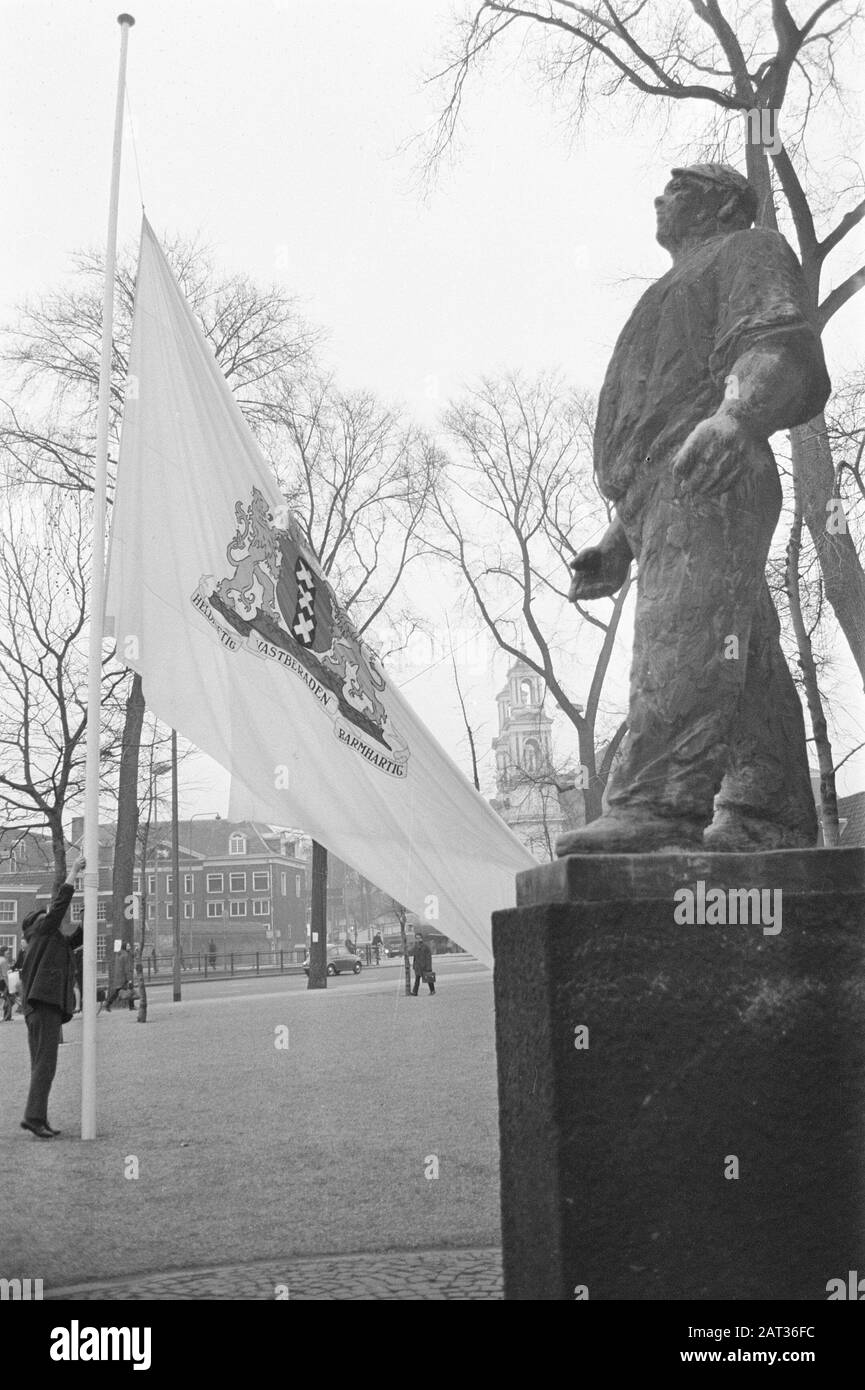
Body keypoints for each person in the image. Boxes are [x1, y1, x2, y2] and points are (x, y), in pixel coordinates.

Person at [560, 163, 830, 855]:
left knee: (685, 632)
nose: (659, 196)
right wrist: (617, 540)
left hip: (712, 471)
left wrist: (739, 417)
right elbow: (652, 426)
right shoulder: (665, 289)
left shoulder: (747, 249)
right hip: (662, 490)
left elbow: (775, 344)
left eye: (677, 188)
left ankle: (658, 804)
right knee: (742, 646)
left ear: (719, 203)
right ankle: (768, 816)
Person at [19, 853, 85, 1139]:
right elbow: (60, 904)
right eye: (45, 917)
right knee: (46, 1064)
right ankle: (33, 1118)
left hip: (40, 1008)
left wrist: (85, 925)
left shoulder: (48, 940)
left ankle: (39, 1119)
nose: (51, 917)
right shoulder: (43, 931)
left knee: (42, 1064)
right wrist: (74, 872)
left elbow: (71, 943)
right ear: (37, 923)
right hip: (43, 1006)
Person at [105, 944, 133, 1011]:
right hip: (124, 977)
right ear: (125, 947)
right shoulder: (125, 955)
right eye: (128, 946)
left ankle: (131, 1005)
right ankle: (108, 1004)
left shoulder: (119, 954)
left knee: (123, 990)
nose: (130, 947)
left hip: (119, 976)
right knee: (128, 990)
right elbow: (127, 968)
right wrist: (129, 979)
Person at [411, 931, 435, 996]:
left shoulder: (426, 947)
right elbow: (415, 957)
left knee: (429, 979)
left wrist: (429, 967)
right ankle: (415, 992)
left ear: (422, 938)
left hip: (424, 966)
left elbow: (428, 958)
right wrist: (414, 965)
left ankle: (432, 990)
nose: (418, 939)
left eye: (419, 938)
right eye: (416, 938)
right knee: (417, 980)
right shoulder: (416, 946)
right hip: (418, 966)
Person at [0, 946, 12, 1021]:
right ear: (3, 953)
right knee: (6, 999)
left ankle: (7, 1016)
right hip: (2, 982)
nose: (9, 954)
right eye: (7, 952)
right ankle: (6, 1016)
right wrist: (8, 985)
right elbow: (5, 975)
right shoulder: (4, 961)